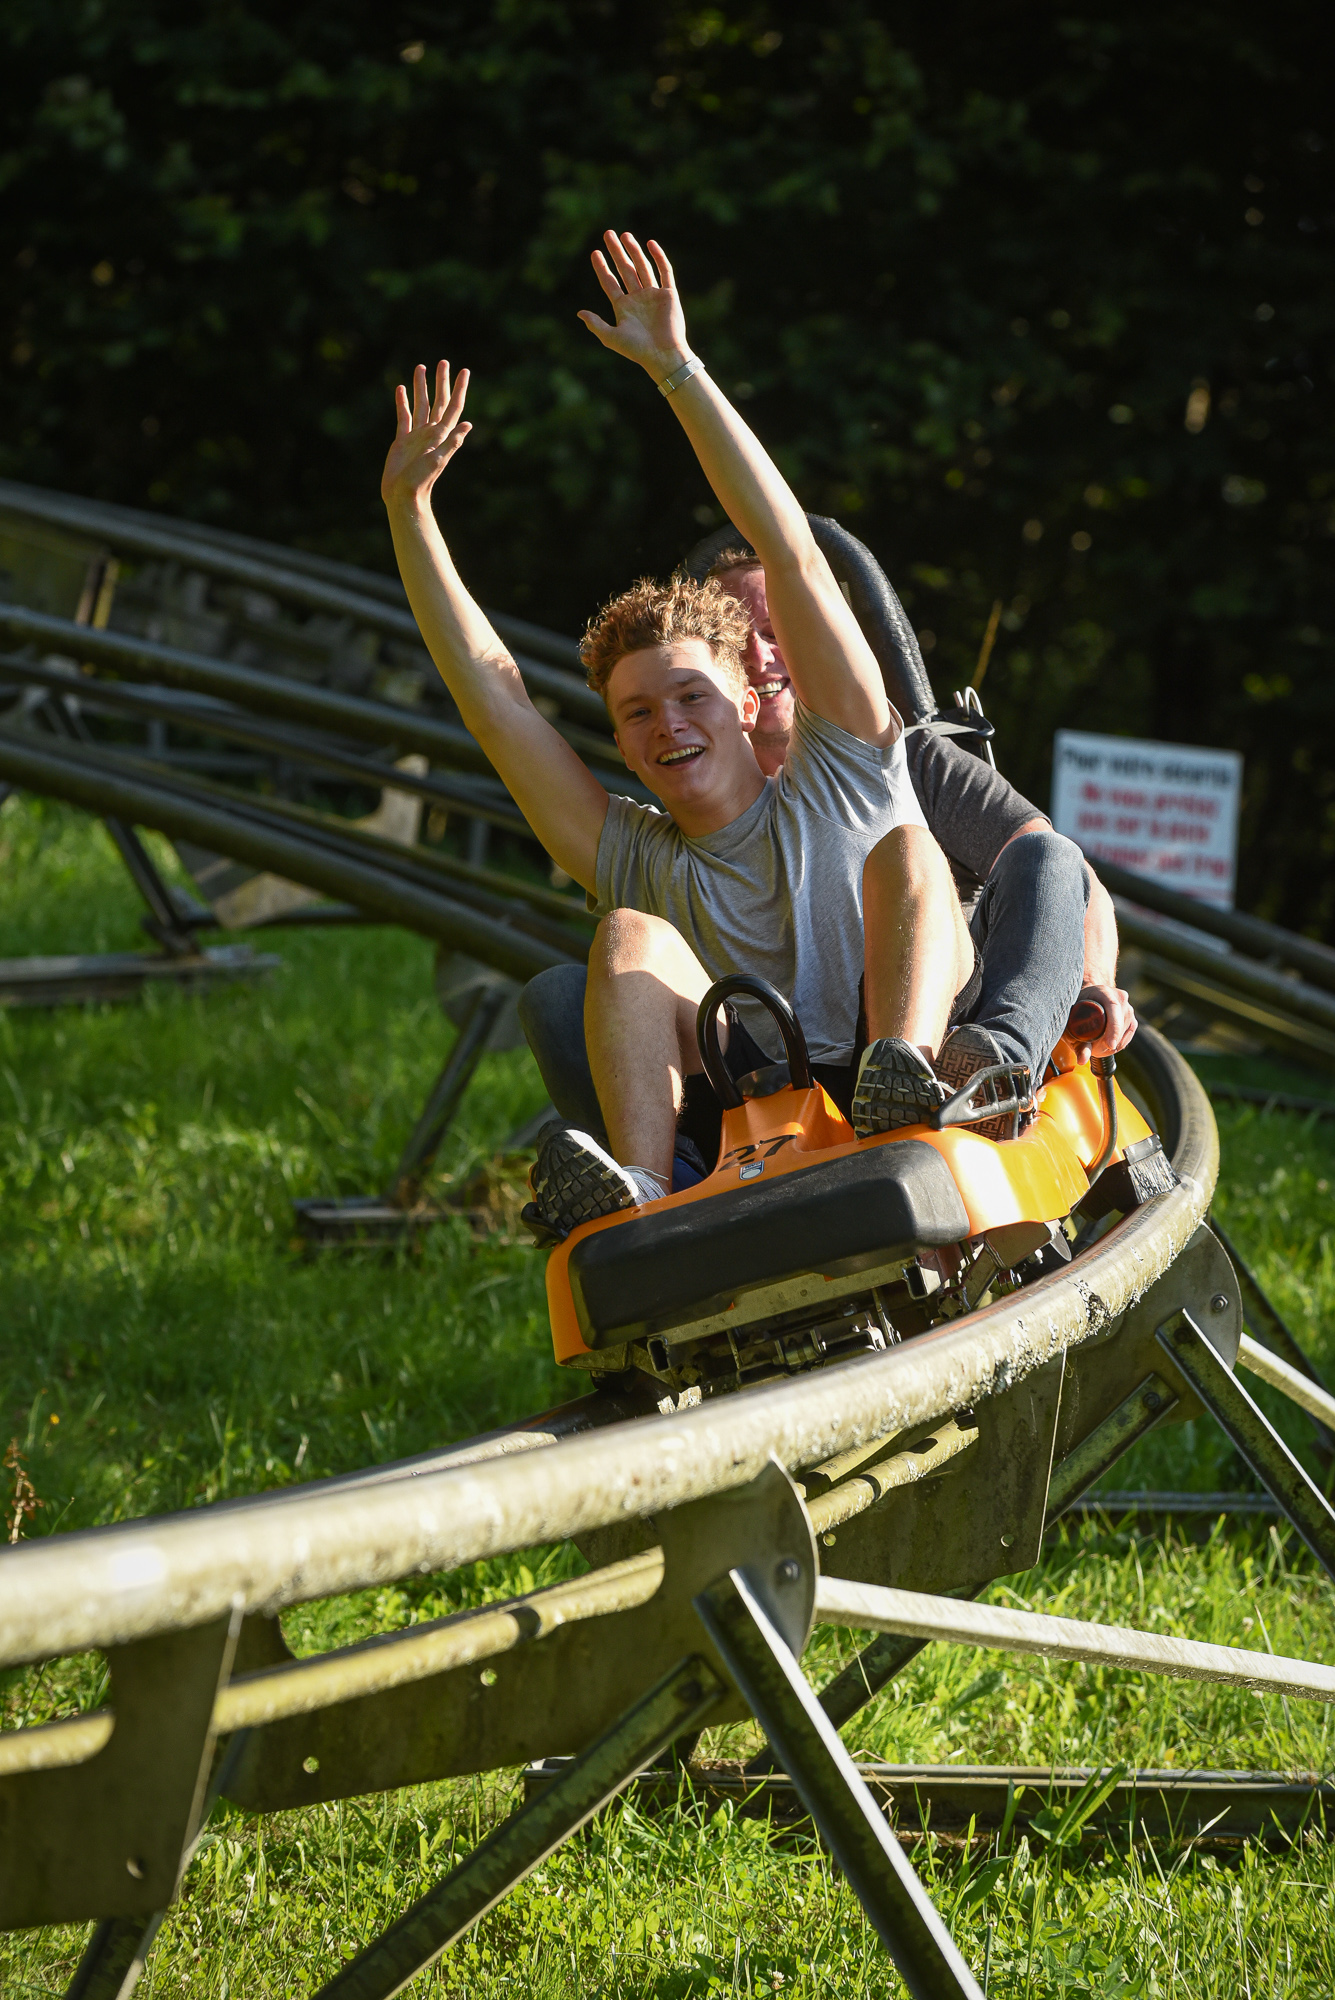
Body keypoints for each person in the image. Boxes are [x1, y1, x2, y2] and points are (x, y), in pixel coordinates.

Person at [381, 230, 979, 1236]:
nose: (669, 725)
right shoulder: (634, 853)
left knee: (910, 847)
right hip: (757, 1086)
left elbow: (789, 550)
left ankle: (907, 1082)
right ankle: (646, 1195)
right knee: (622, 934)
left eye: (693, 696)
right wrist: (409, 511)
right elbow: (497, 702)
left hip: (890, 1052)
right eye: (639, 711)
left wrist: (677, 370)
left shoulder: (844, 759)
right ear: (620, 741)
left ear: (752, 696)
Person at [521, 547, 1137, 1150]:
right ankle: (654, 1172)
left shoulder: (893, 758)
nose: (760, 655)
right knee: (558, 994)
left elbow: (1060, 874)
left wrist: (1093, 983)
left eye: (776, 630)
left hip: (946, 1004)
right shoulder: (685, 809)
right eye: (739, 640)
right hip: (762, 1057)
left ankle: (986, 1067)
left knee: (1016, 854)